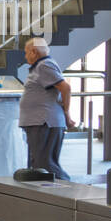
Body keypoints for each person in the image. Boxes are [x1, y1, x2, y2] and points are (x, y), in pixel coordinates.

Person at [19, 37, 76, 181]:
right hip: (39, 121)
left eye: (26, 53)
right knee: (39, 164)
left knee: (45, 164)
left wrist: (66, 112)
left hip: (44, 122)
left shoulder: (45, 65)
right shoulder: (41, 66)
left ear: (34, 52)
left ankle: (69, 188)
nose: (25, 57)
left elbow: (65, 87)